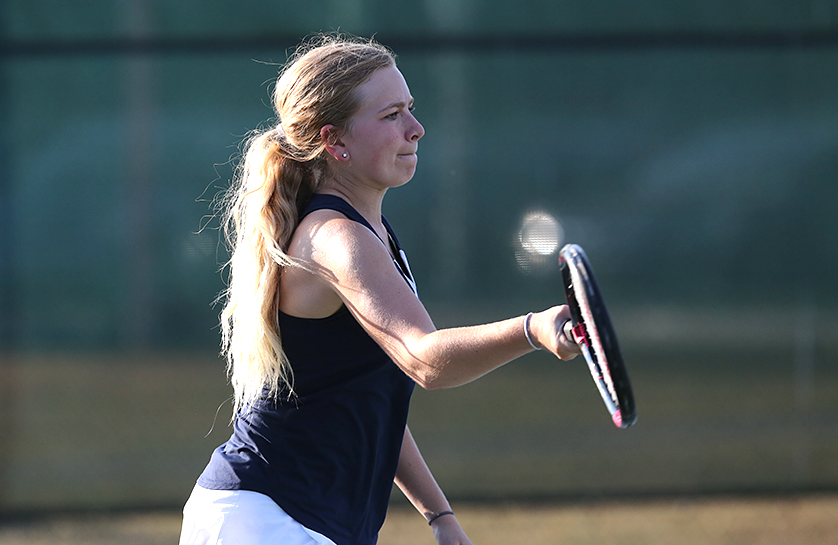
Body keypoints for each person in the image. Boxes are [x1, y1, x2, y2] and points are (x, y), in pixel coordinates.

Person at [179, 33, 579, 545]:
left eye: (409, 109)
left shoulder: (371, 235)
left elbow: (371, 401)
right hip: (265, 519)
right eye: (391, 116)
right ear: (335, 141)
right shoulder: (336, 238)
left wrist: (441, 517)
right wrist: (533, 329)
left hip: (288, 518)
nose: (416, 129)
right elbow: (425, 361)